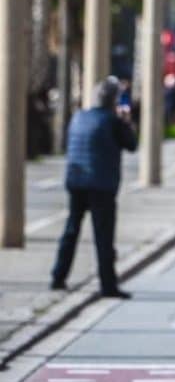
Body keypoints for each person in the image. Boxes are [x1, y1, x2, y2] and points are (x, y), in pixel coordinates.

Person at [50, 77, 138, 298]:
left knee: (71, 230)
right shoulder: (112, 121)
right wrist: (127, 121)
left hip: (76, 181)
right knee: (104, 237)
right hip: (101, 185)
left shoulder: (79, 117)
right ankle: (108, 285)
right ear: (113, 100)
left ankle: (58, 276)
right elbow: (132, 144)